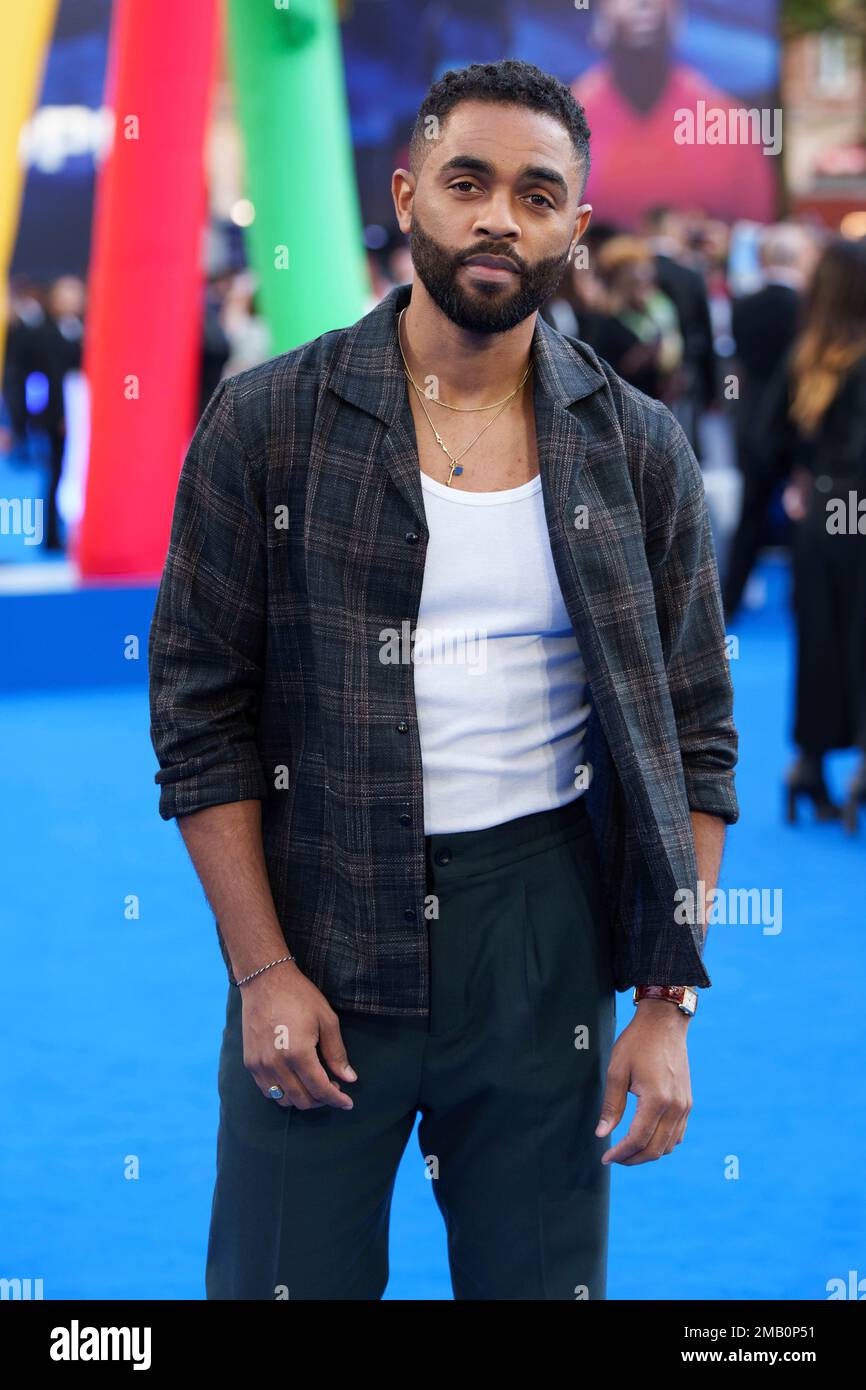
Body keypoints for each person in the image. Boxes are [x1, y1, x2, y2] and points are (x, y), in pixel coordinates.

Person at [148, 59, 738, 1301]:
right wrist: (261, 971)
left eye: (536, 194)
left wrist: (664, 1001)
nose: (496, 219)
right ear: (410, 192)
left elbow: (694, 734)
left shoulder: (635, 449)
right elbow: (199, 716)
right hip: (318, 914)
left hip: (538, 931)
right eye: (467, 182)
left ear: (573, 228)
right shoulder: (267, 424)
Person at [752, 237, 866, 828]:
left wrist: (803, 480)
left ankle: (809, 767)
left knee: (821, 644)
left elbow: (766, 441)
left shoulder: (809, 354)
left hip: (820, 522)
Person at [723, 224, 813, 620]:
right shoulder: (808, 307)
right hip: (798, 422)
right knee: (805, 513)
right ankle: (803, 599)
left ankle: (730, 598)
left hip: (752, 423)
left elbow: (738, 363)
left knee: (750, 513)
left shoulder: (743, 304)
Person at [590, 235, 684, 401]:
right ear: (619, 282)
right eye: (635, 282)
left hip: (657, 404)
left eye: (647, 281)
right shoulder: (604, 319)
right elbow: (599, 370)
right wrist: (643, 355)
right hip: (620, 404)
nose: (644, 289)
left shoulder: (658, 311)